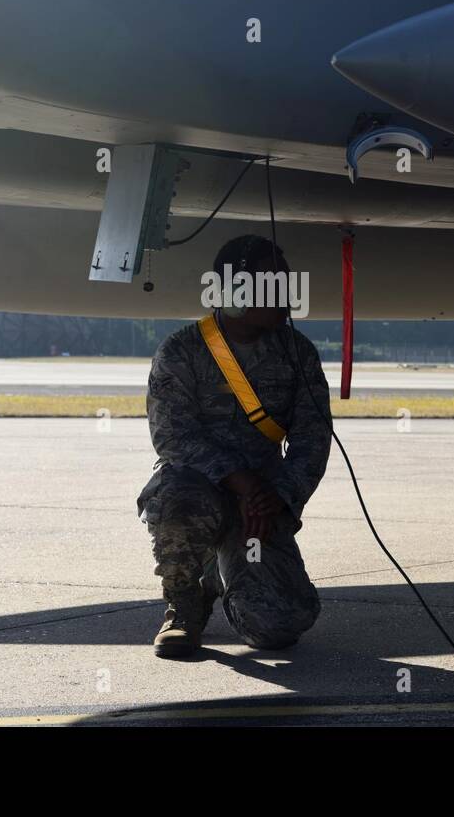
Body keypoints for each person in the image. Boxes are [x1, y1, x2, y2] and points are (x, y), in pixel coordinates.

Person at [138, 234, 332, 658]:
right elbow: (172, 437)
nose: (287, 294)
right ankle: (186, 605)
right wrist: (241, 483)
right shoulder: (182, 351)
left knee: (278, 627)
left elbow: (312, 441)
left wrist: (276, 499)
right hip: (199, 488)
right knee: (177, 503)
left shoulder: (297, 353)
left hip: (261, 502)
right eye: (273, 284)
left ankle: (233, 577)